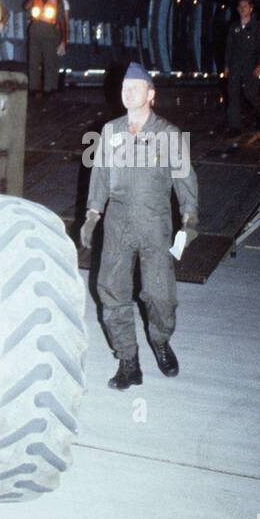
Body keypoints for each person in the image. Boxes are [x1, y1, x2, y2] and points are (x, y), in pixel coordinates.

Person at [81, 62, 199, 389]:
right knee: (112, 292)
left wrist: (189, 220)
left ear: (151, 95)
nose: (128, 92)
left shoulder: (167, 134)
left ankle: (160, 341)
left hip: (155, 223)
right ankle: (128, 361)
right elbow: (100, 176)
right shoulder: (110, 131)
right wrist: (93, 214)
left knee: (160, 295)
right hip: (118, 224)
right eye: (124, 88)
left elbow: (185, 181)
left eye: (135, 87)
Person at [224, 0, 260, 138]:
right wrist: (226, 66)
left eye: (245, 6)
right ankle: (235, 126)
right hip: (235, 66)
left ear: (251, 8)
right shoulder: (234, 27)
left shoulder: (258, 27)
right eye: (240, 6)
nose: (242, 8)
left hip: (251, 66)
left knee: (250, 94)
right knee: (233, 96)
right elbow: (228, 48)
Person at [24, 0, 65, 96]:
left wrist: (63, 40)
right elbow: (26, 6)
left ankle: (48, 90)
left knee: (49, 62)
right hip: (35, 32)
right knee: (33, 62)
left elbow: (62, 21)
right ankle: (32, 88)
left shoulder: (57, 0)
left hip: (50, 34)